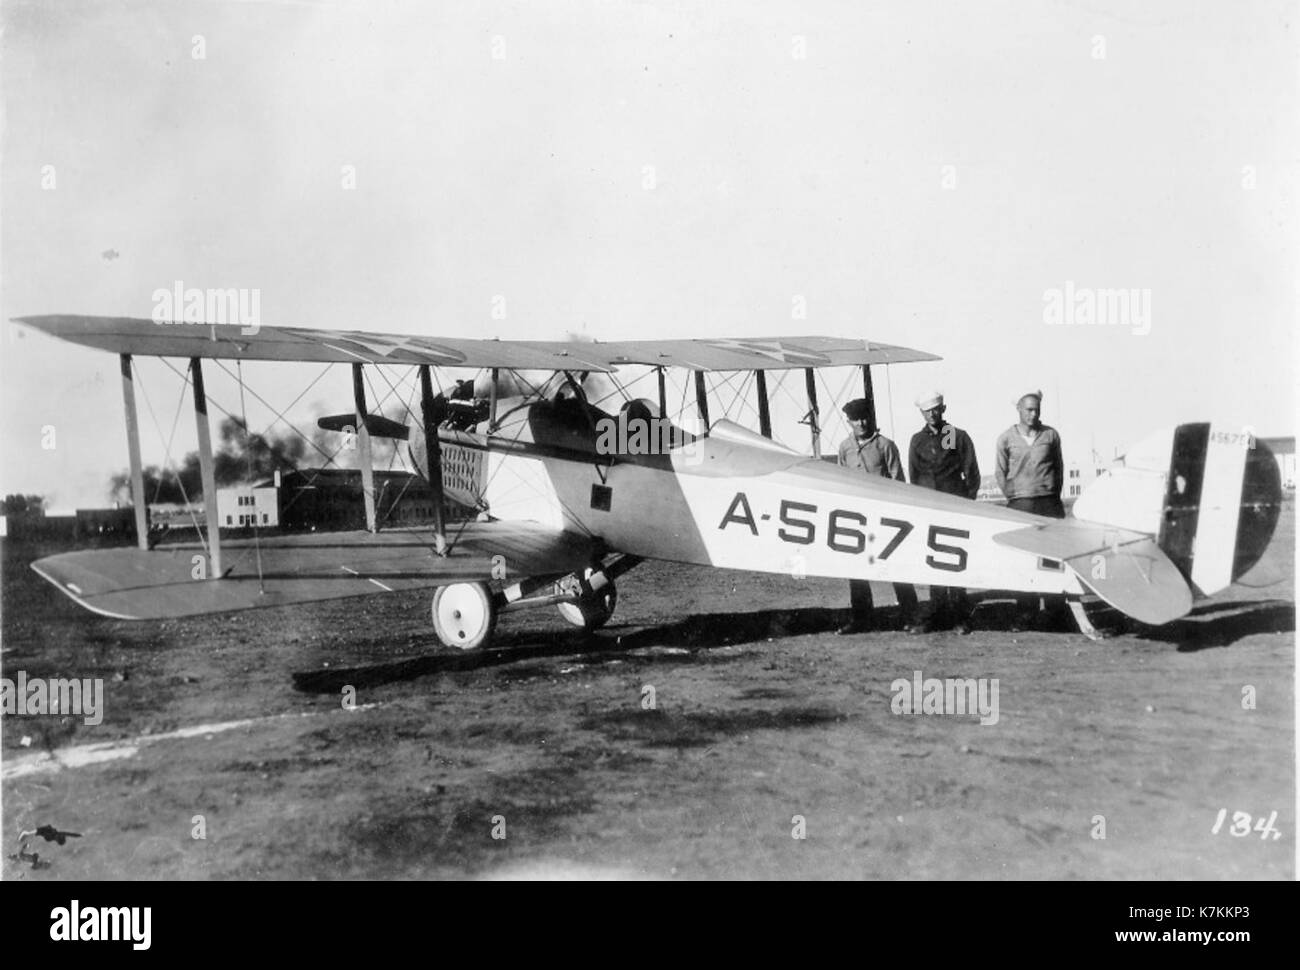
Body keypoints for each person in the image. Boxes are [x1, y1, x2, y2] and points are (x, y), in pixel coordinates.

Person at [836, 398, 919, 633]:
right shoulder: (845, 447)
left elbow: (897, 481)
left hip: (885, 516)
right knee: (857, 569)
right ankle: (861, 618)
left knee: (896, 566)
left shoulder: (885, 445)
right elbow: (843, 482)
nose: (861, 423)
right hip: (858, 518)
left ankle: (911, 616)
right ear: (849, 421)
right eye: (855, 419)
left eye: (864, 417)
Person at [907, 391, 980, 634]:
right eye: (927, 410)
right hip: (929, 511)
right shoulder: (917, 440)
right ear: (921, 412)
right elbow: (914, 477)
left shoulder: (956, 436)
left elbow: (972, 475)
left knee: (955, 561)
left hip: (955, 509)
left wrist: (965, 504)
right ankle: (937, 615)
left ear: (943, 409)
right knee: (934, 562)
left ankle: (960, 616)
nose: (932, 414)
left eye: (936, 409)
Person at [995, 389, 1065, 630]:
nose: (1033, 414)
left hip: (1048, 503)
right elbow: (1000, 472)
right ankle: (1026, 611)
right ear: (1019, 410)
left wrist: (1052, 496)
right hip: (1020, 504)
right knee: (1023, 559)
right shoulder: (1006, 438)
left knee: (1052, 558)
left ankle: (1056, 611)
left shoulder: (1051, 435)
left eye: (1036, 409)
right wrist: (1014, 496)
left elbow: (1059, 468)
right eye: (1028, 410)